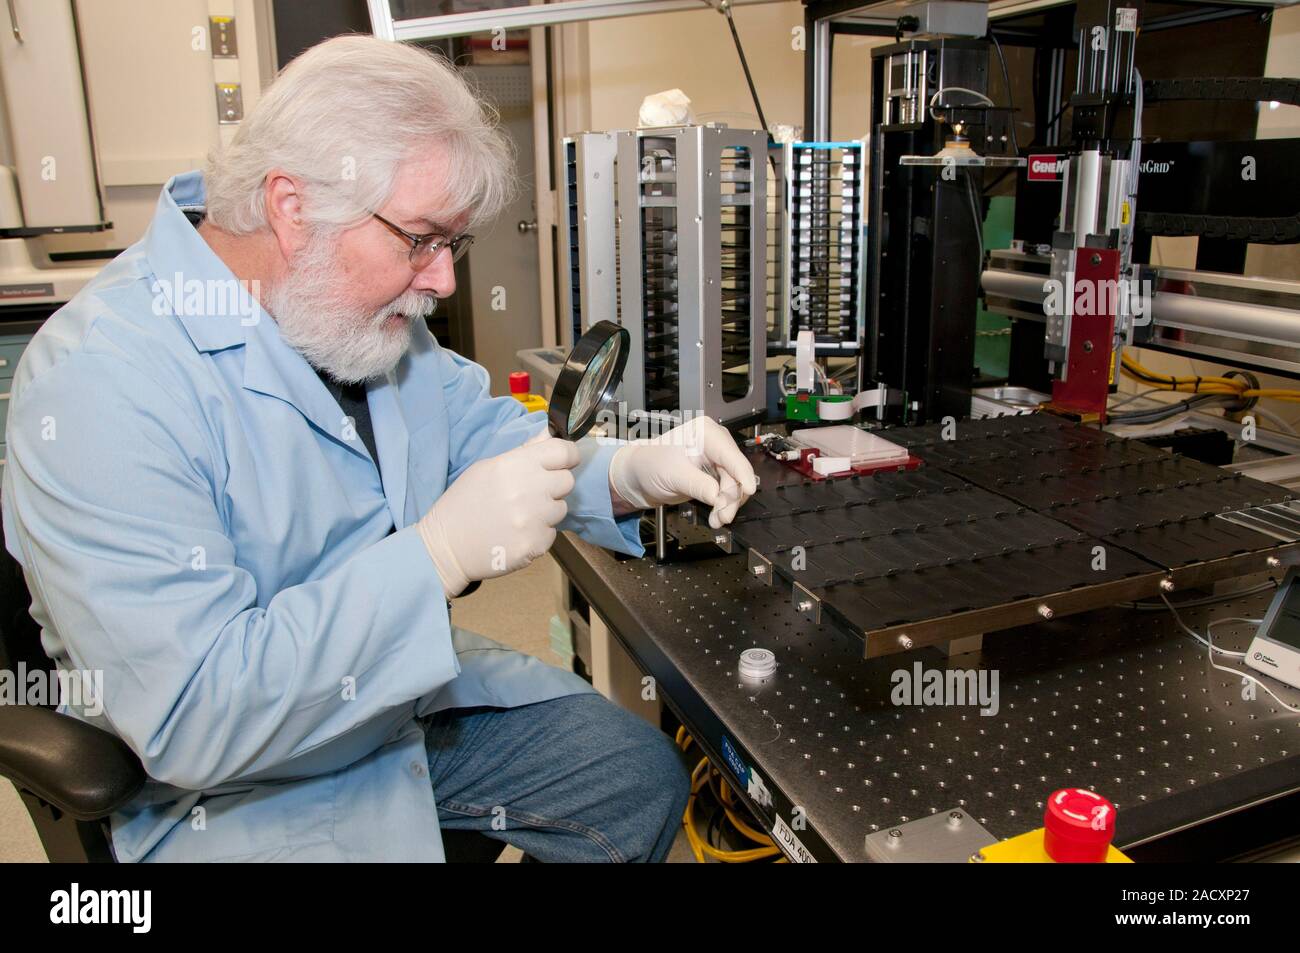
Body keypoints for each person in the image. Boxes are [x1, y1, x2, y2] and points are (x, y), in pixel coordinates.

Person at [1, 35, 755, 862]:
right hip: (235, 784)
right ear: (292, 207)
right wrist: (431, 558)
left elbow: (489, 436)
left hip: (392, 705)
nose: (445, 282)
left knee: (633, 775)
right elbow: (195, 713)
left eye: (453, 246)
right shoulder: (101, 381)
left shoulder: (351, 319)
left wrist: (629, 470)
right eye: (420, 240)